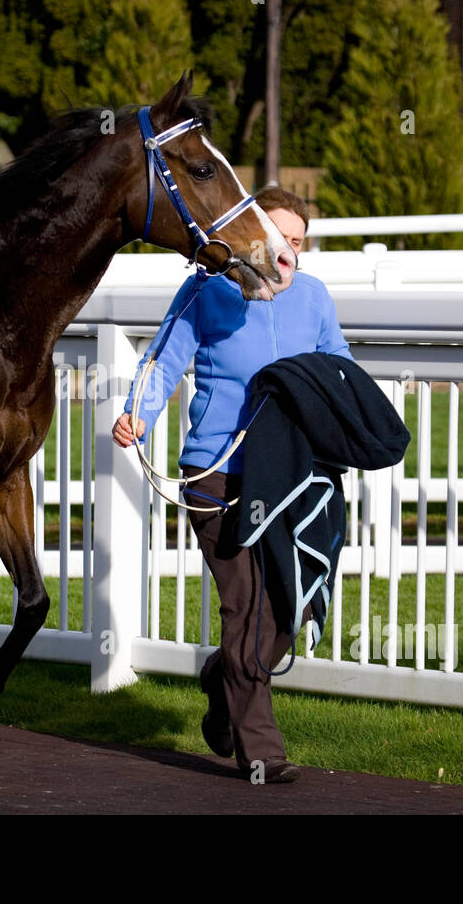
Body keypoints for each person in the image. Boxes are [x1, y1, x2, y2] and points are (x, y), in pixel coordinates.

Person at [112, 186, 352, 784]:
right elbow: (164, 360)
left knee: (285, 609)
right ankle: (263, 754)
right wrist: (138, 412)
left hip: (293, 477)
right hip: (216, 473)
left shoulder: (315, 298)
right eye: (277, 237)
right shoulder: (207, 290)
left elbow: (338, 366)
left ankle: (225, 682)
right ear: (252, 233)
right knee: (244, 605)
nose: (286, 249)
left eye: (296, 241)